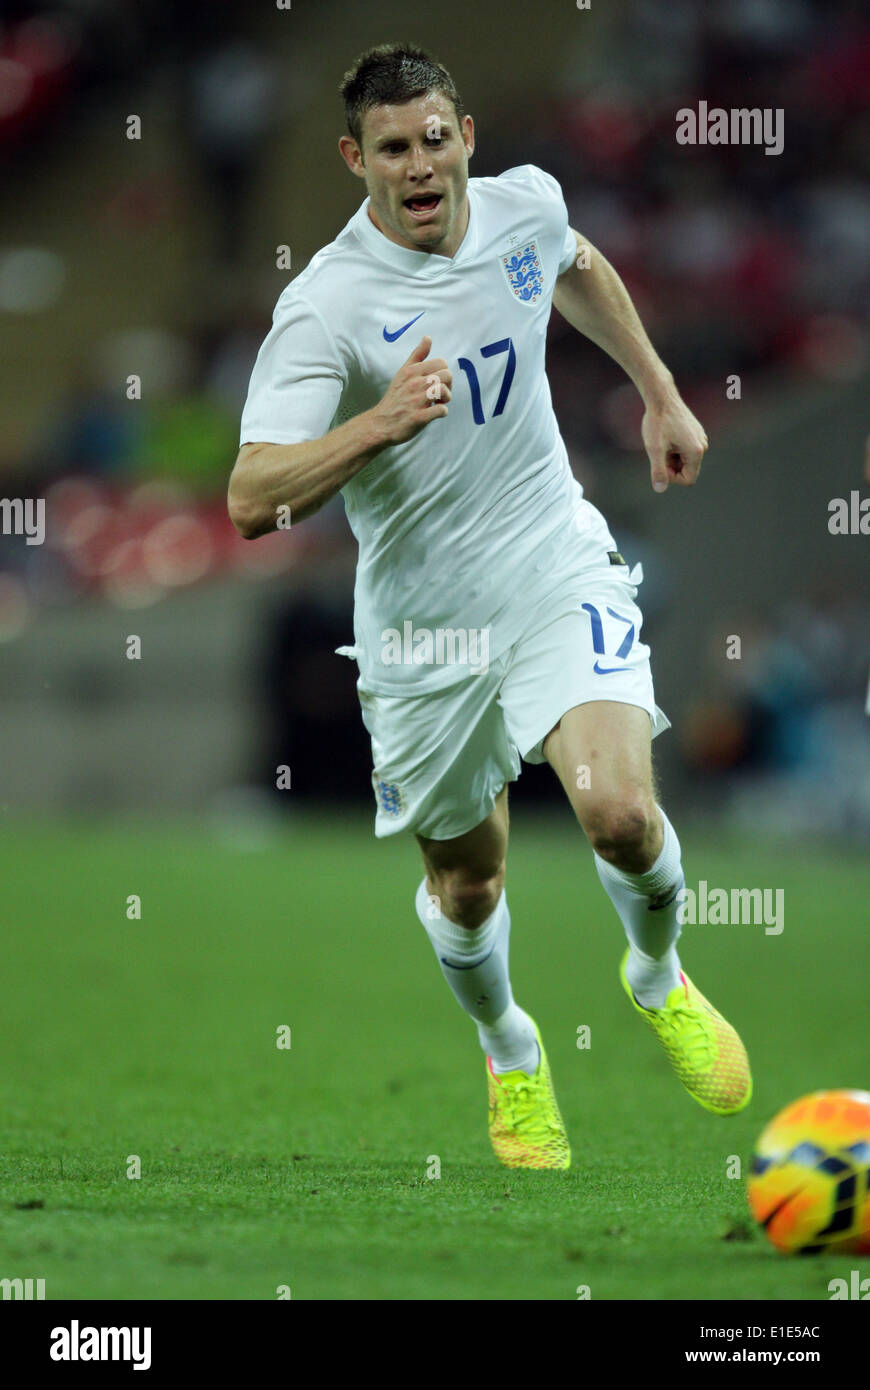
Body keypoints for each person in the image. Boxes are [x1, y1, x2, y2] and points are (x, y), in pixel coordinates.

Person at [229, 44, 752, 1170]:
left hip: (551, 562)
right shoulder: (326, 305)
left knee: (619, 811)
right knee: (467, 884)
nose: (418, 167)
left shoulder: (525, 207)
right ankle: (512, 1051)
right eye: (391, 150)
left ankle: (657, 975)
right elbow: (249, 496)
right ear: (353, 161)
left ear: (465, 136)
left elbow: (578, 264)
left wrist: (659, 393)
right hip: (421, 629)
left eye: (433, 139)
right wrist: (378, 424)